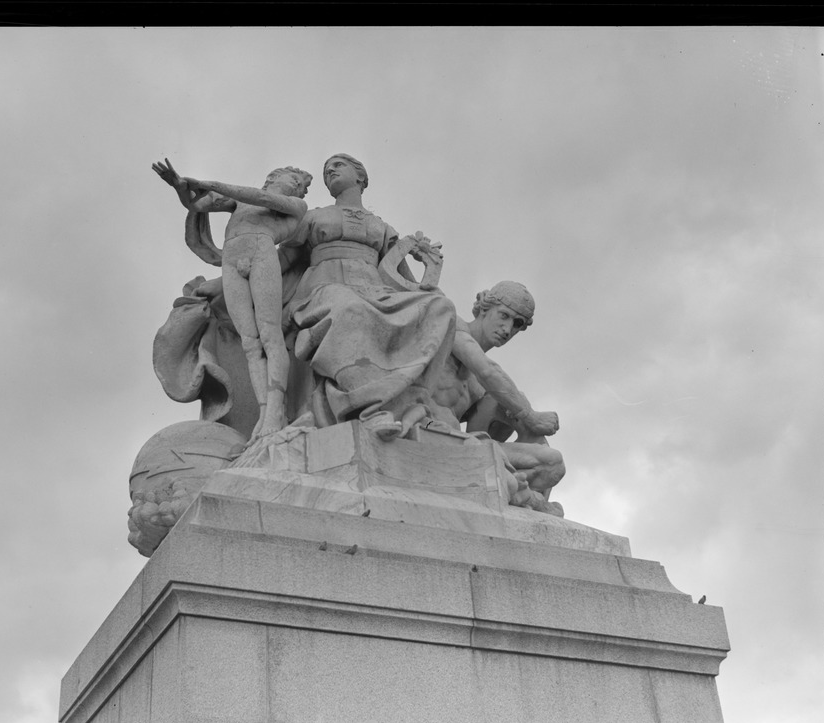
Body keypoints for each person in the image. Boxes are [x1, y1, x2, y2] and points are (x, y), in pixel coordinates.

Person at [282, 154, 457, 439]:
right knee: (350, 310)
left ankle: (415, 406)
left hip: (376, 291)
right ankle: (368, 411)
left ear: (360, 177)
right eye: (327, 170)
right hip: (323, 291)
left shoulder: (383, 228)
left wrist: (430, 281)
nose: (331, 171)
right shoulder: (313, 217)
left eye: (339, 165)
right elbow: (283, 260)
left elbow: (406, 281)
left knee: (440, 307)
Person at [152, 159, 312, 438]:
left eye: (301, 187)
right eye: (295, 182)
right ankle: (264, 414)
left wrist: (209, 184)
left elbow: (257, 196)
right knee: (250, 344)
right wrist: (180, 188)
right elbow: (198, 204)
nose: (299, 190)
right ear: (274, 176)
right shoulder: (240, 202)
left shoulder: (295, 209)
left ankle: (276, 411)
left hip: (261, 254)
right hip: (232, 260)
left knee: (269, 336)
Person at [422, 281, 566, 513]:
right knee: (491, 454)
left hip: (466, 448)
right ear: (484, 307)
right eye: (504, 315)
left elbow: (484, 428)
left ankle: (515, 489)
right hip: (426, 434)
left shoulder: (484, 388)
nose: (507, 329)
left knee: (553, 462)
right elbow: (488, 370)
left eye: (517, 324)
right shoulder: (453, 326)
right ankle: (521, 494)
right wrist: (529, 415)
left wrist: (519, 419)